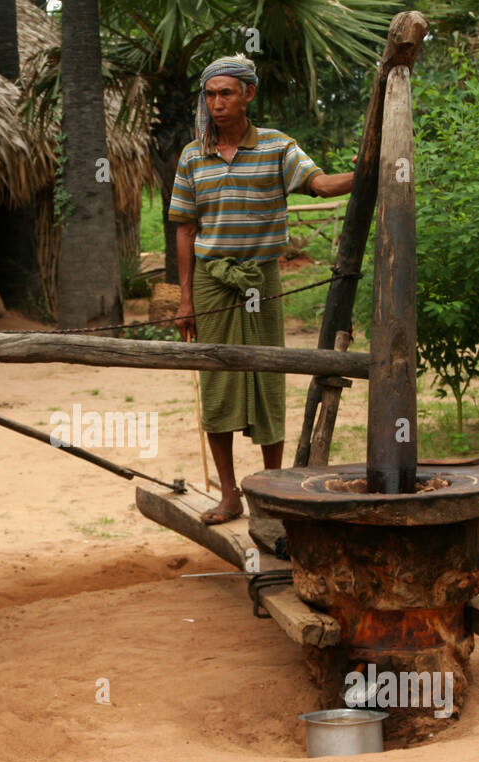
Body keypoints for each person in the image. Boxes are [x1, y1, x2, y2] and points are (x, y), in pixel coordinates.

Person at [169, 54, 353, 525]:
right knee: (218, 383)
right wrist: (185, 299)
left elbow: (323, 185)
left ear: (248, 94)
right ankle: (230, 496)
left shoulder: (276, 147)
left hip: (261, 282)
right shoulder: (193, 156)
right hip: (212, 284)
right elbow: (185, 230)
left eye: (226, 93)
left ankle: (271, 494)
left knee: (268, 378)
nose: (217, 103)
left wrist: (369, 169)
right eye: (210, 95)